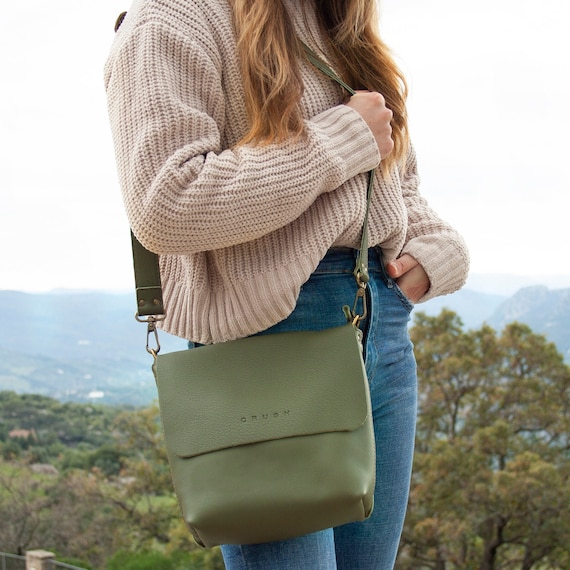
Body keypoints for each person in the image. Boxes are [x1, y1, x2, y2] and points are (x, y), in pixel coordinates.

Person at [105, 0, 469, 568]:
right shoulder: (174, 17)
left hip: (382, 331)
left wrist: (436, 251)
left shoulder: (339, 23)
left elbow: (395, 183)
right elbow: (166, 203)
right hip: (268, 339)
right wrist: (338, 139)